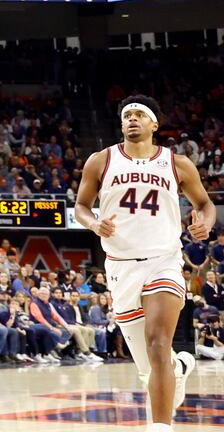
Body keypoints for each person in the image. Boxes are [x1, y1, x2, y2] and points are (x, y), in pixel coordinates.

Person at [75, 95, 214, 432]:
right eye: (127, 115)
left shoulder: (177, 164)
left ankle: (160, 427)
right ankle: (178, 370)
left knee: (158, 343)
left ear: (154, 124)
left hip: (163, 261)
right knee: (147, 367)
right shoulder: (100, 161)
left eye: (139, 114)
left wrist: (206, 223)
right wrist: (93, 223)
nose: (132, 119)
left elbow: (205, 204)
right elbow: (81, 206)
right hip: (120, 266)